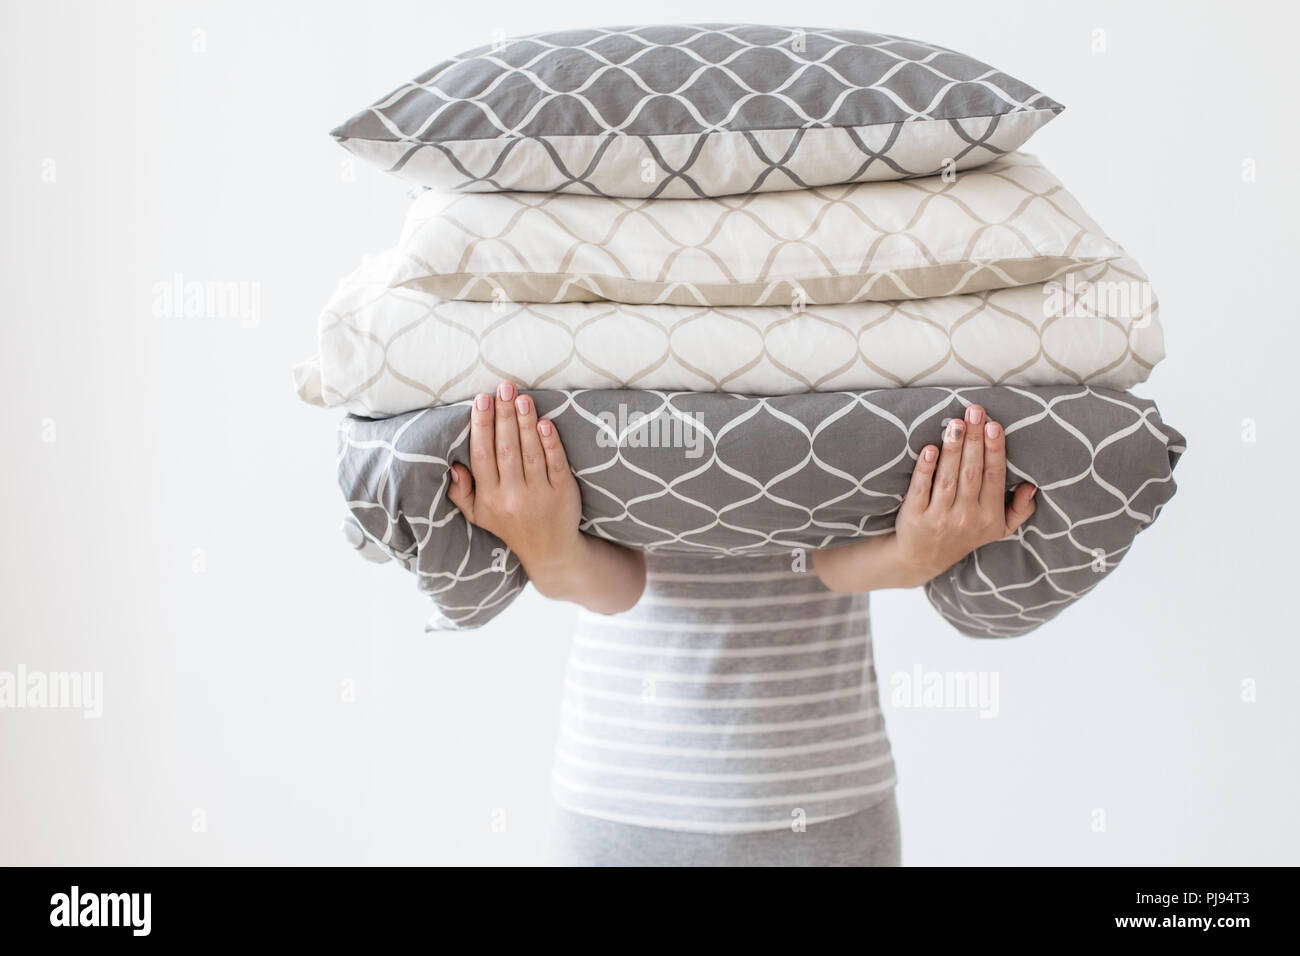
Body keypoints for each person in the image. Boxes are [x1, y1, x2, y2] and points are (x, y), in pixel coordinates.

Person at [447, 382, 1038, 867]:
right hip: (622, 800)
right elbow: (618, 582)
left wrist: (920, 555)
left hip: (829, 805)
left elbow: (829, 556)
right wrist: (544, 550)